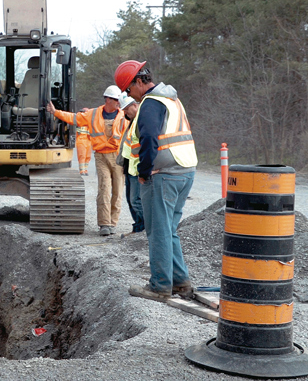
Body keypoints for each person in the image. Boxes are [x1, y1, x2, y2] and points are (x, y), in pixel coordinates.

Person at [114, 60, 197, 302]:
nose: (130, 96)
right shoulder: (171, 98)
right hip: (185, 169)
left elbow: (149, 138)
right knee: (169, 230)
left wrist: (143, 171)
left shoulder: (151, 103)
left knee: (158, 231)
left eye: (129, 90)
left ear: (139, 82)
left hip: (163, 174)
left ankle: (160, 284)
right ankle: (180, 282)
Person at [47, 86, 126, 236]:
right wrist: (55, 112)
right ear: (107, 99)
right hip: (101, 156)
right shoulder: (93, 114)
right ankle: (104, 224)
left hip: (118, 157)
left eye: (118, 100)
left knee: (118, 191)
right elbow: (74, 118)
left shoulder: (124, 116)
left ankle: (113, 223)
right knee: (104, 189)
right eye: (115, 100)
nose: (118, 103)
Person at [117, 94, 144, 235]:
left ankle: (142, 230)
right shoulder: (133, 121)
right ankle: (138, 228)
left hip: (137, 168)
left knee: (136, 201)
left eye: (126, 109)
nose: (125, 113)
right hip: (130, 167)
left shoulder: (140, 120)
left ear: (135, 105)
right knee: (131, 200)